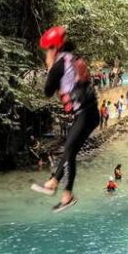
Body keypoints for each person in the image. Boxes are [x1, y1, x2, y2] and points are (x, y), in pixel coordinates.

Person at [30, 26, 100, 212]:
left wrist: (50, 67)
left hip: (84, 114)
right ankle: (53, 182)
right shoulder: (73, 57)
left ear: (54, 48)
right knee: (70, 149)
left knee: (69, 149)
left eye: (48, 49)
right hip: (90, 113)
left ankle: (67, 195)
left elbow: (47, 92)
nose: (47, 53)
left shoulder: (59, 66)